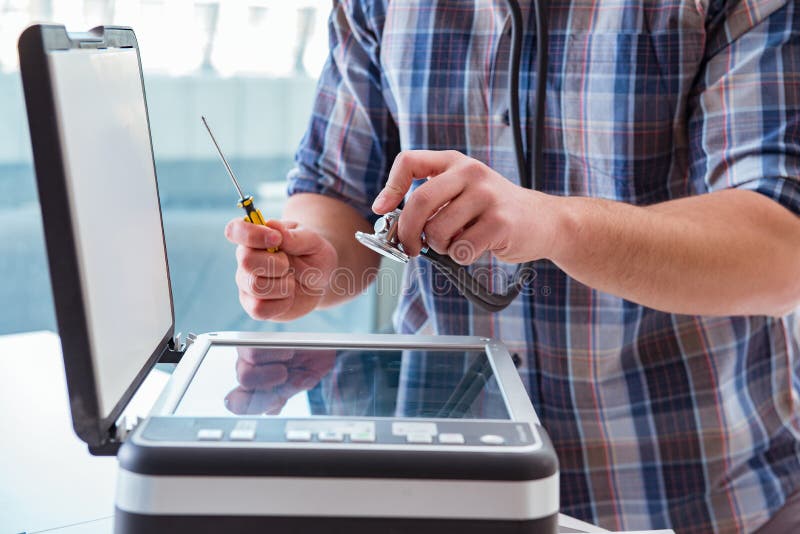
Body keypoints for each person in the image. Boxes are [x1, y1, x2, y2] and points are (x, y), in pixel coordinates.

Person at [225, 1, 800, 532]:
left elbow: (781, 250)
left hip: (705, 499)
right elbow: (333, 190)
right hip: (447, 489)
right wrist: (312, 262)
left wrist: (554, 224)